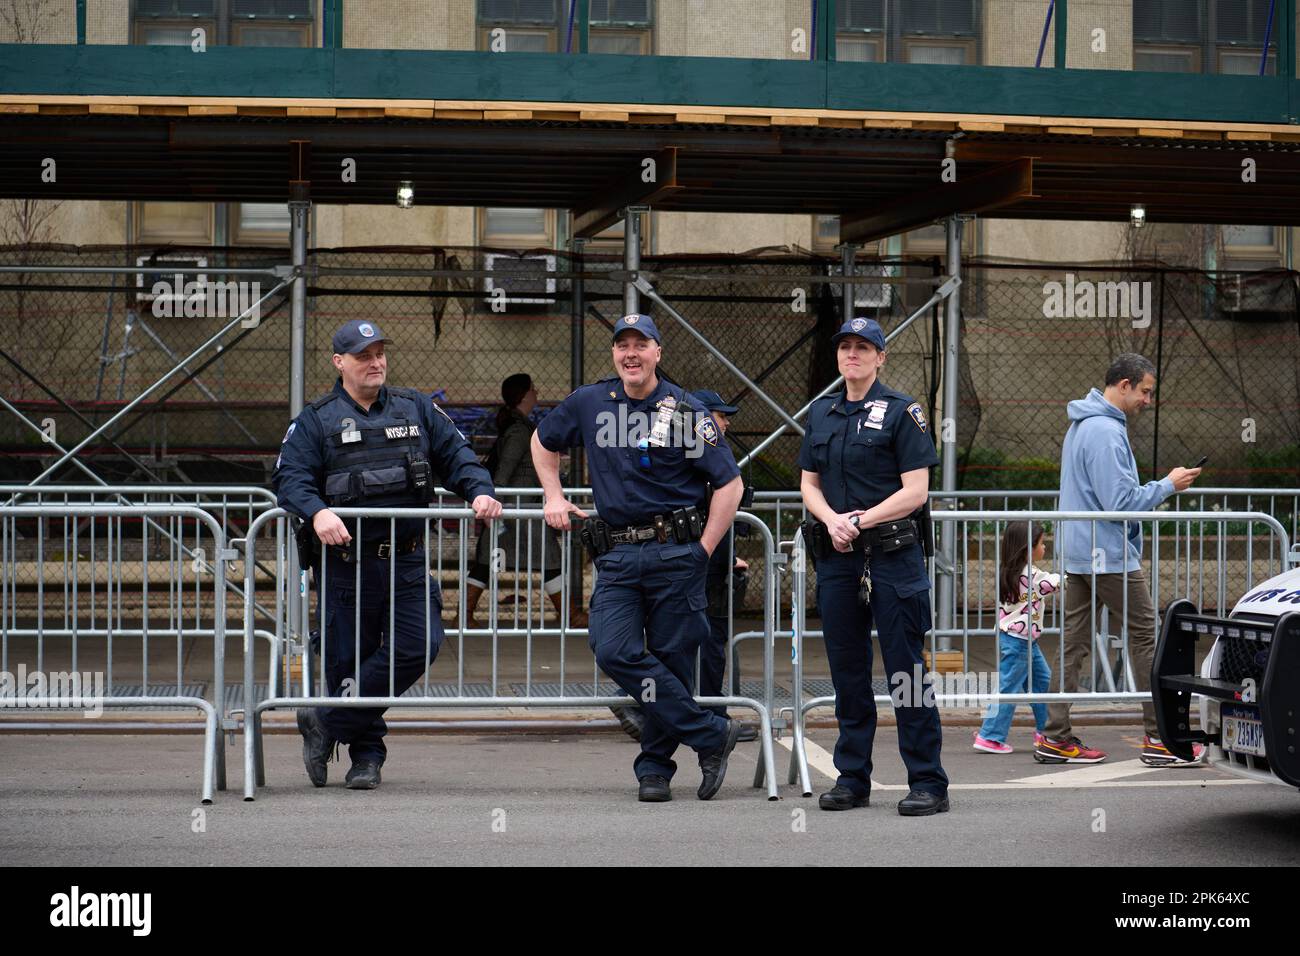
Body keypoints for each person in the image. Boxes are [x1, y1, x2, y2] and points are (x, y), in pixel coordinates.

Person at [273, 319, 501, 790]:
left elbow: (457, 457)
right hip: (346, 565)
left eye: (379, 353)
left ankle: (325, 722)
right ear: (339, 363)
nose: (375, 362)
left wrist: (479, 492)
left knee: (419, 646)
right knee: (347, 663)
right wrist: (316, 513)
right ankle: (366, 757)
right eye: (363, 355)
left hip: (408, 560)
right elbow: (289, 479)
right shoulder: (316, 420)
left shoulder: (416, 408)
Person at [531, 313, 747, 803]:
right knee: (613, 649)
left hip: (676, 553)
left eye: (640, 345)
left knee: (672, 661)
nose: (631, 353)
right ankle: (711, 734)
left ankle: (655, 769)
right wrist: (553, 496)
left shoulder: (685, 411)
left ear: (657, 353)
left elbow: (728, 484)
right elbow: (543, 442)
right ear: (614, 353)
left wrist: (705, 549)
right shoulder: (590, 402)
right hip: (618, 556)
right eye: (622, 345)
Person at [798, 316, 949, 816]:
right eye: (846, 347)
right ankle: (852, 778)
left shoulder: (903, 411)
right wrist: (833, 521)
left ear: (880, 357)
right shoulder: (821, 413)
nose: (853, 355)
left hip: (892, 557)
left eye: (864, 348)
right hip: (839, 559)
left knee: (906, 672)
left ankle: (928, 781)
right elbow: (809, 484)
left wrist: (860, 520)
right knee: (848, 673)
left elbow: (915, 491)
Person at [1040, 352, 1201, 766]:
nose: (1148, 400)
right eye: (1145, 391)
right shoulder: (1107, 433)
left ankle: (1054, 737)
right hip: (1108, 555)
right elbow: (1121, 502)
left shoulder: (1081, 424)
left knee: (1073, 643)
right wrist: (1168, 484)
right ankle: (1160, 738)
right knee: (1147, 638)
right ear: (1124, 386)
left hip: (1079, 552)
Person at [462, 373, 587, 629]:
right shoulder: (520, 431)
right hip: (516, 510)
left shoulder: (522, 427)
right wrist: (492, 503)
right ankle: (570, 614)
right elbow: (505, 470)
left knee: (491, 560)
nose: (537, 393)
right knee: (545, 558)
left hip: (521, 508)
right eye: (533, 389)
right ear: (523, 395)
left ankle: (570, 613)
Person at [973, 521, 1059, 754]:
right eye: (1042, 543)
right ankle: (990, 735)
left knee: (1043, 684)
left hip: (1019, 639)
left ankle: (1048, 731)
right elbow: (1053, 583)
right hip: (1020, 641)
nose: (1045, 548)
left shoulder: (1009, 571)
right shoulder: (1031, 574)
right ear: (1027, 548)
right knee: (1009, 688)